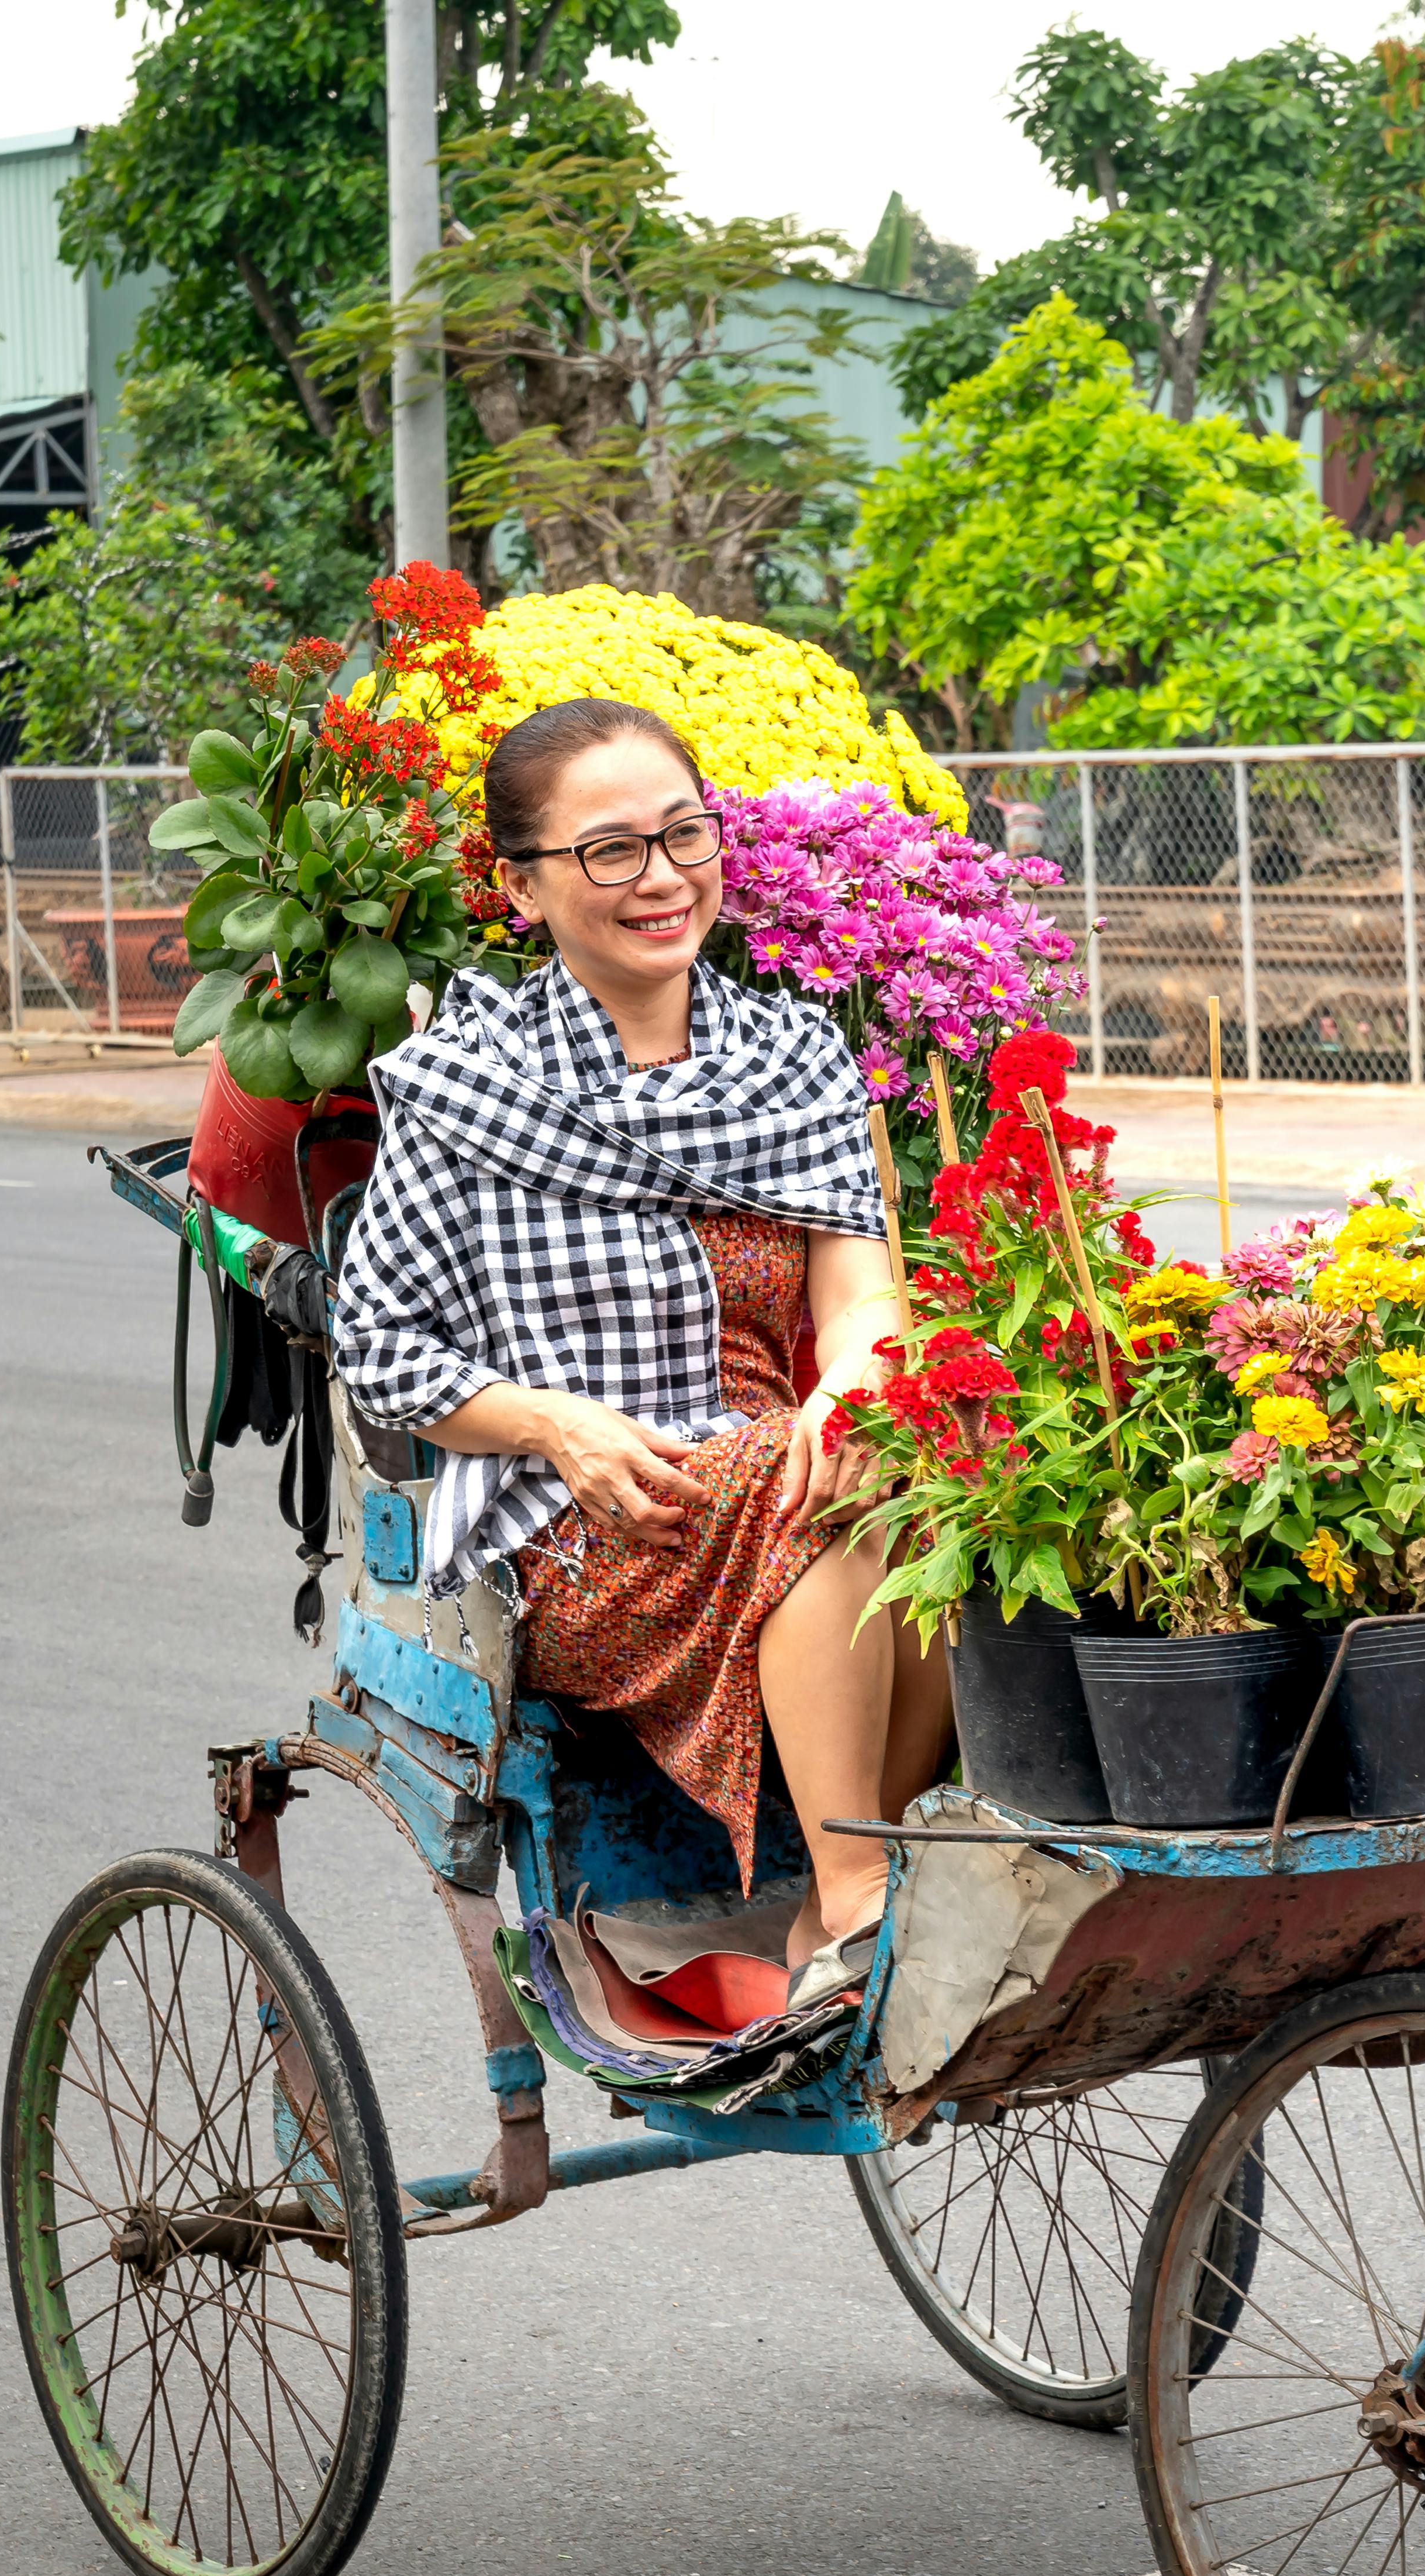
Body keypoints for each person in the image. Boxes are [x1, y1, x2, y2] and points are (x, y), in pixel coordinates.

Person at [328, 696, 953, 1993]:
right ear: (522, 886)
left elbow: (858, 1292)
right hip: (574, 1524)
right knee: (803, 1490)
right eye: (611, 851)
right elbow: (380, 1344)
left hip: (767, 1468)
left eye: (683, 835)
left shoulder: (792, 1057)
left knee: (933, 1464)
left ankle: (888, 1848)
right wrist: (553, 1423)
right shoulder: (469, 1084)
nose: (662, 877)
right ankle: (848, 1901)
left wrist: (856, 1385)